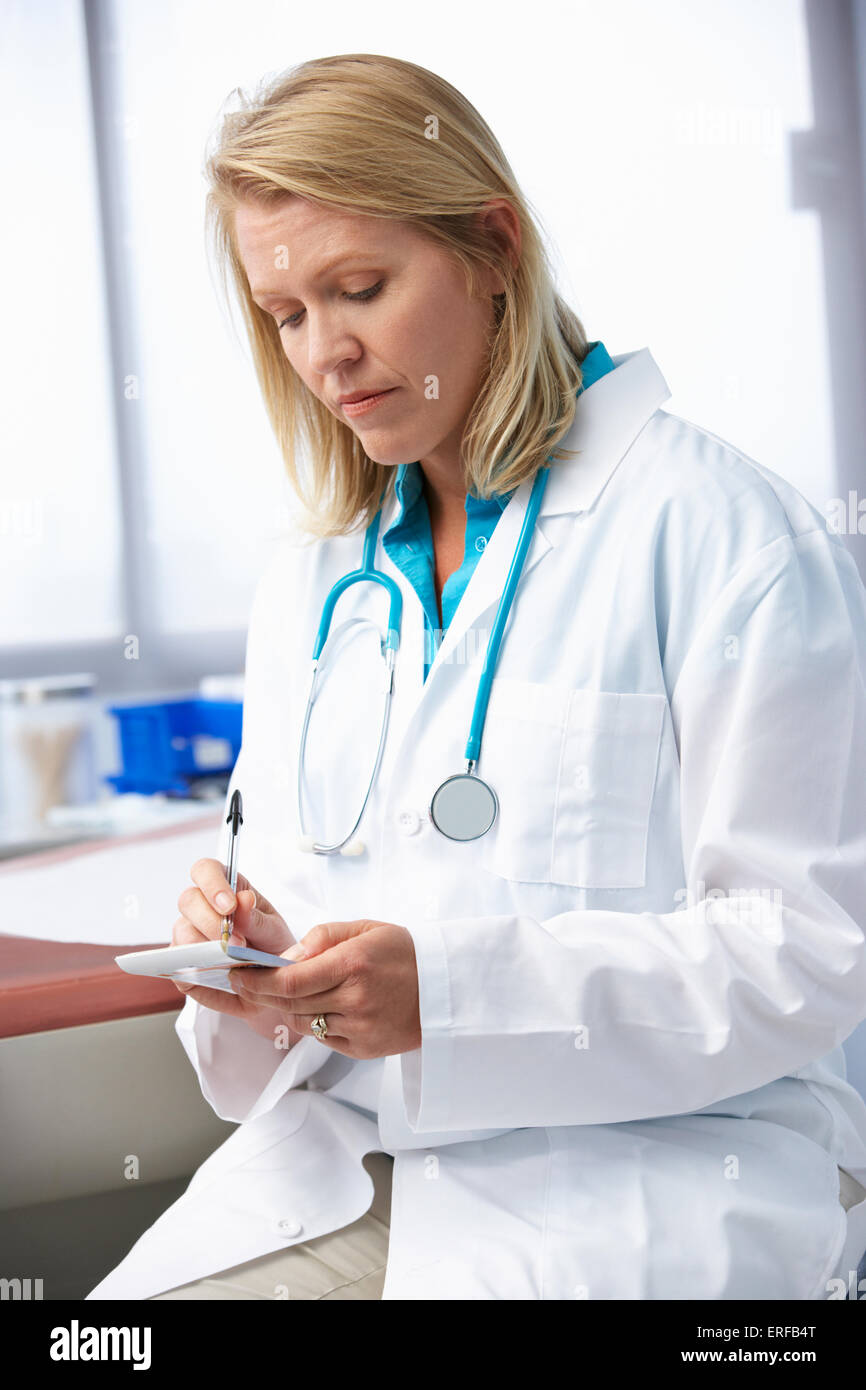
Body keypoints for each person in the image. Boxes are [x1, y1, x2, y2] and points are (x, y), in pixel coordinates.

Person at [88, 51, 866, 1302]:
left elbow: (804, 955)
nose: (325, 353)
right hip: (345, 1157)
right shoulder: (316, 580)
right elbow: (294, 887)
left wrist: (447, 996)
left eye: (359, 288)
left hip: (644, 1178)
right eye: (285, 314)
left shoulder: (727, 537)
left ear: (492, 246)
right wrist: (258, 964)